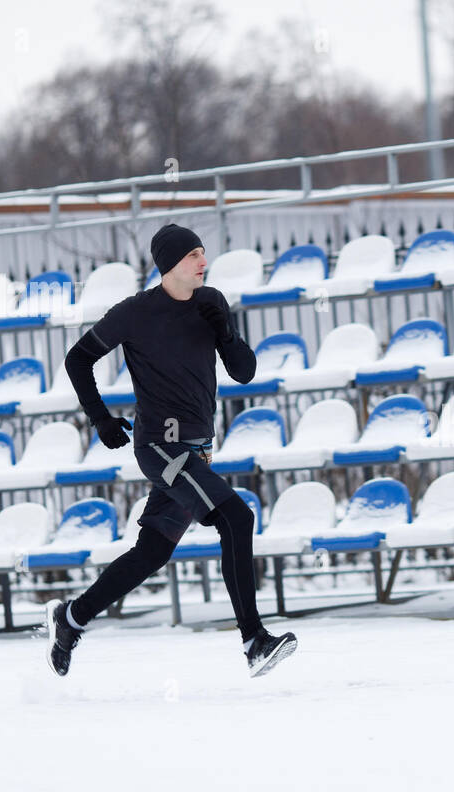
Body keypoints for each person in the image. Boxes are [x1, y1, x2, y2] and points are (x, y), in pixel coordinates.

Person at [43, 222, 296, 678]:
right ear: (169, 266)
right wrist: (101, 418)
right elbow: (78, 358)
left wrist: (225, 334)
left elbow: (244, 373)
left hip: (197, 449)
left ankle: (70, 618)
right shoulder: (135, 313)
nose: (203, 261)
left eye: (203, 252)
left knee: (152, 552)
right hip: (160, 445)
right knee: (237, 518)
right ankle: (254, 640)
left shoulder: (211, 302)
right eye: (193, 255)